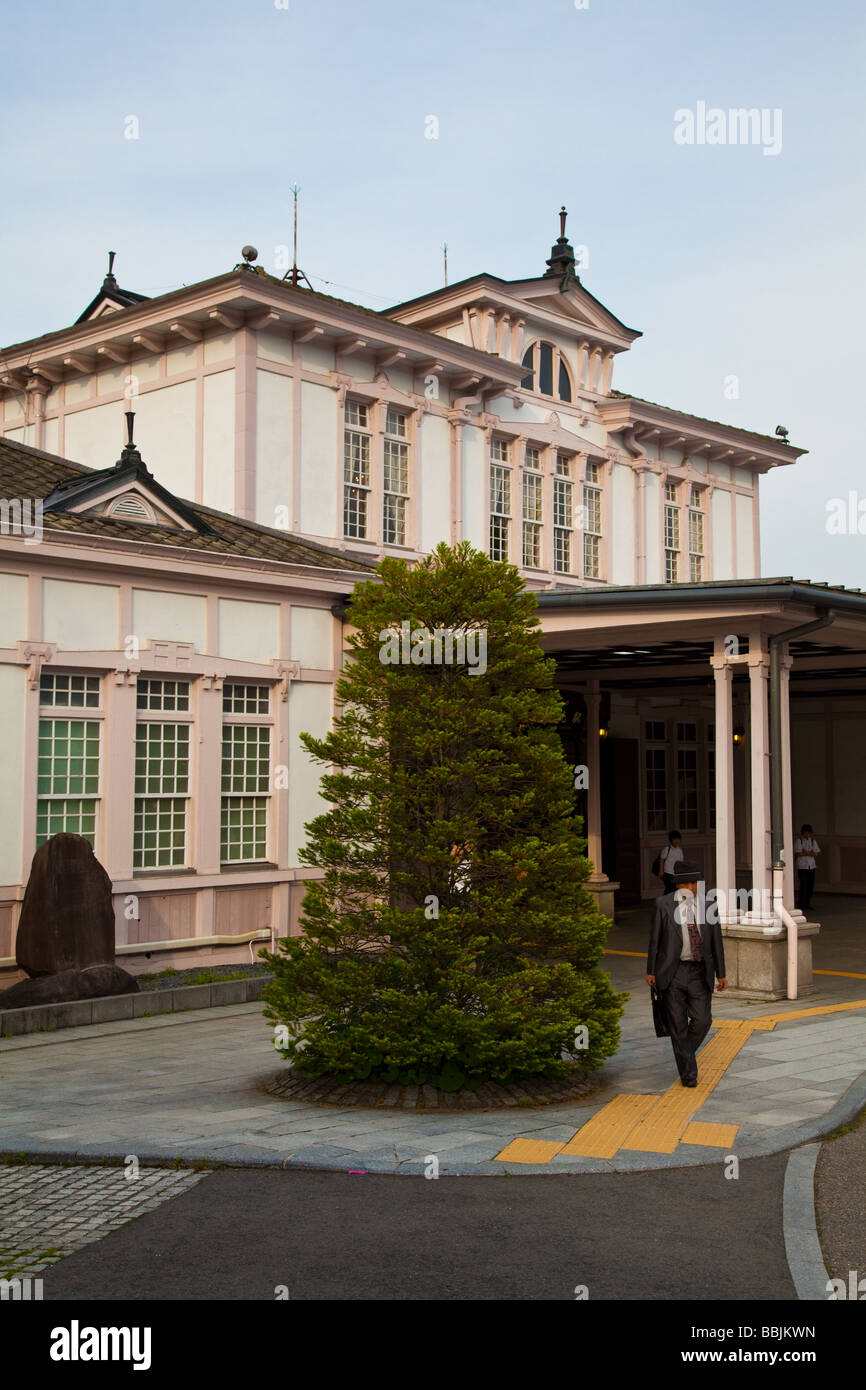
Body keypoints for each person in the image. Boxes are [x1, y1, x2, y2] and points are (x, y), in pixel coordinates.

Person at [646, 860, 727, 1087]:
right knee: (678, 1024)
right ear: (678, 885)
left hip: (700, 972)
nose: (692, 888)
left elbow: (716, 942)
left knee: (703, 1020)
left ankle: (684, 1053)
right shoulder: (663, 905)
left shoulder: (709, 905)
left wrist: (721, 973)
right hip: (673, 973)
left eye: (695, 883)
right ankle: (688, 1074)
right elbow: (655, 940)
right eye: (687, 884)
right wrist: (651, 969)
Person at [794, 824, 820, 913]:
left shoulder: (812, 841)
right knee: (803, 885)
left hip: (811, 866)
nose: (808, 834)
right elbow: (799, 853)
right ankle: (801, 903)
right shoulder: (799, 841)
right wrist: (810, 853)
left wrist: (806, 852)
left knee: (810, 885)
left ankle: (807, 903)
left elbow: (816, 853)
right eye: (806, 832)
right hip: (802, 866)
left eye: (809, 833)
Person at [658, 830, 683, 895]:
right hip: (668, 873)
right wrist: (661, 871)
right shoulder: (667, 849)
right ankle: (665, 902)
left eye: (678, 839)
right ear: (671, 840)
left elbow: (681, 862)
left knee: (676, 889)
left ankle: (672, 903)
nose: (676, 841)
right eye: (674, 839)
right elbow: (661, 860)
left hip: (676, 874)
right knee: (669, 889)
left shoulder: (679, 850)